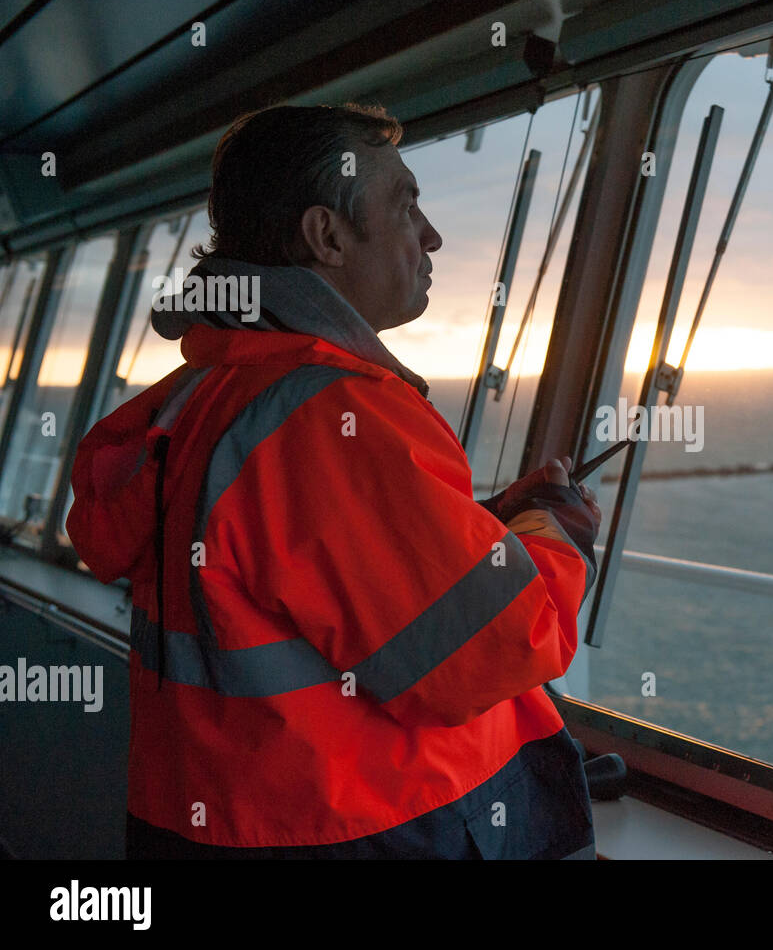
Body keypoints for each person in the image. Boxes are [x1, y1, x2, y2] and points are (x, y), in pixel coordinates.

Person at [65, 103, 602, 859]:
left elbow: (318, 578)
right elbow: (499, 641)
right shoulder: (330, 414)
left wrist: (487, 526)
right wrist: (557, 528)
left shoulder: (204, 399)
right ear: (326, 236)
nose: (432, 234)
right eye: (407, 205)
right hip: (355, 831)